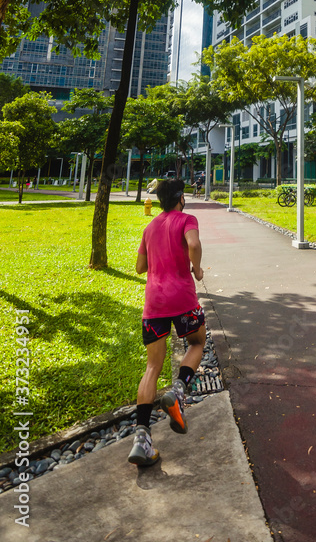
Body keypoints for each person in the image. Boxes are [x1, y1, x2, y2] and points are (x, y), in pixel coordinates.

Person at [128, 178, 206, 467]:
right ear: (181, 198)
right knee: (197, 342)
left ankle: (142, 439)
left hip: (154, 303)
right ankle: (177, 391)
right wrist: (195, 267)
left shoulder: (149, 228)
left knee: (151, 367)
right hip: (182, 299)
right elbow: (194, 243)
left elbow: (139, 268)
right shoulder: (187, 218)